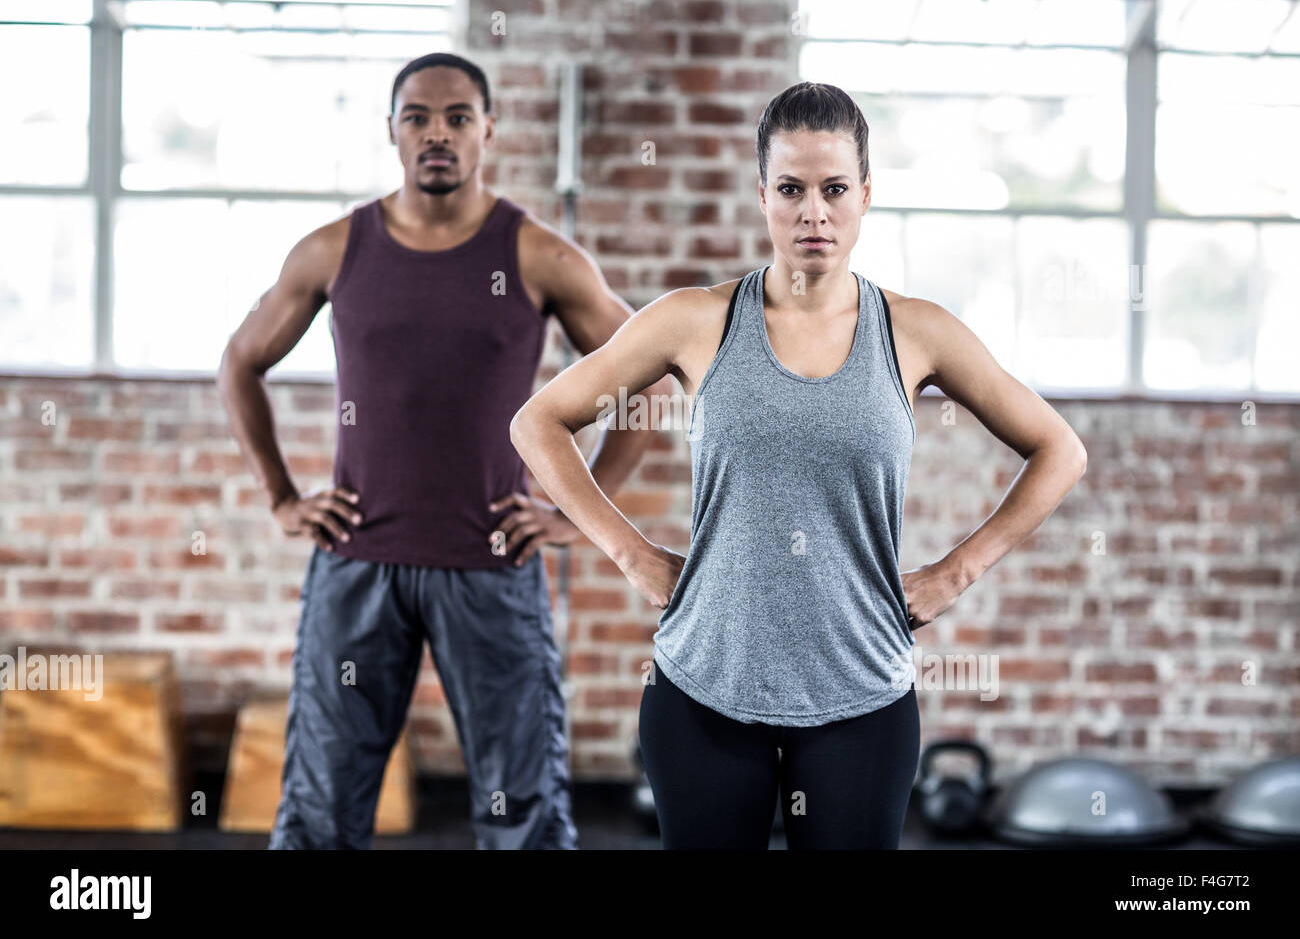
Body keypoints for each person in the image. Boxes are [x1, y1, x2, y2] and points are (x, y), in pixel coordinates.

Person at [510, 81, 1088, 849]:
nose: (813, 211)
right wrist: (629, 552)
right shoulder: (696, 320)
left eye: (834, 189)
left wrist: (958, 571)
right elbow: (538, 421)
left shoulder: (916, 332)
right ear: (762, 195)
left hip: (862, 696)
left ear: (866, 194)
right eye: (791, 189)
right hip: (703, 692)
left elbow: (1061, 449)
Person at [217, 52, 674, 849]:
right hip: (356, 563)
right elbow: (240, 363)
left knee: (522, 810)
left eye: (458, 117)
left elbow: (651, 381)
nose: (438, 134)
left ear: (487, 130)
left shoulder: (538, 255)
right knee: (321, 810)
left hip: (491, 567)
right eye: (418, 117)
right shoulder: (333, 250)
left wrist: (578, 517)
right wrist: (282, 497)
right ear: (391, 131)